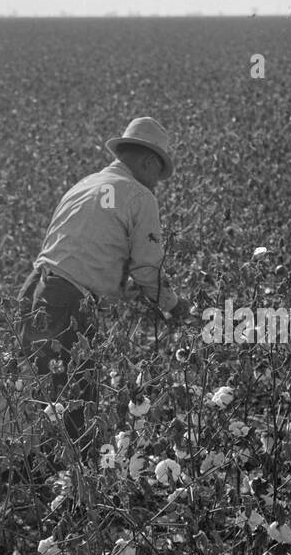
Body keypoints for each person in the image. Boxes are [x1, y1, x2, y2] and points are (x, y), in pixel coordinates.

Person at [19, 116, 191, 456]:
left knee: (35, 397)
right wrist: (174, 306)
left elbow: (83, 249)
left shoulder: (88, 184)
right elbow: (147, 269)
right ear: (147, 162)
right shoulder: (139, 196)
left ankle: (33, 486)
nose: (157, 184)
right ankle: (72, 494)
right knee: (75, 407)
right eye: (158, 174)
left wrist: (115, 288)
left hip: (34, 292)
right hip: (65, 304)